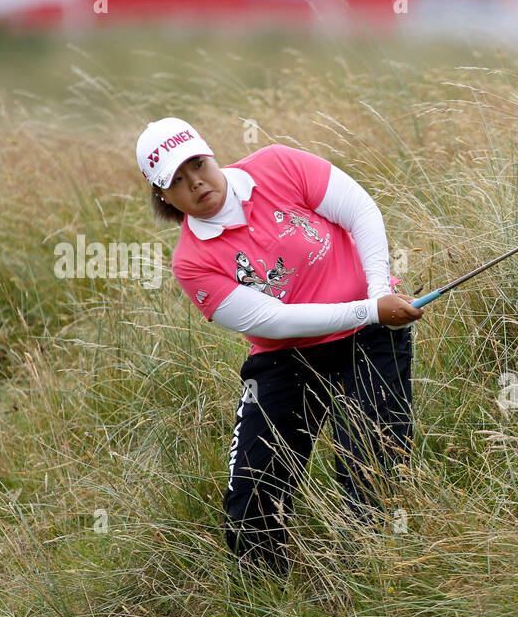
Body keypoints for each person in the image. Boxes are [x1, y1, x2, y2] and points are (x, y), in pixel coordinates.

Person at [136, 117, 424, 579]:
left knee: (369, 466)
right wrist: (372, 309)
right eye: (177, 181)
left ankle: (373, 583)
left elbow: (360, 210)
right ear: (163, 197)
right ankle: (265, 605)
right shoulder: (191, 263)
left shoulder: (277, 165)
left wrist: (376, 294)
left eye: (197, 164)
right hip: (285, 357)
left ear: (211, 155)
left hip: (371, 337)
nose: (195, 182)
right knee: (250, 507)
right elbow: (275, 321)